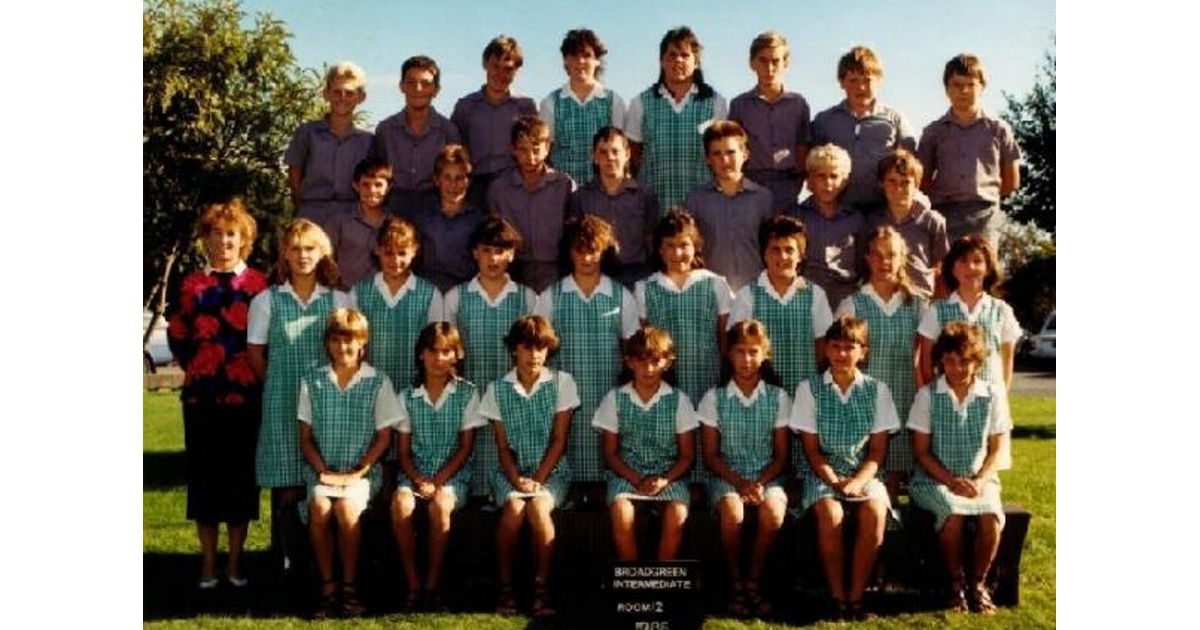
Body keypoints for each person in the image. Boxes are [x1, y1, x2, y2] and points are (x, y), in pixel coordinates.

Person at [166, 199, 269, 589]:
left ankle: (236, 563)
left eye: (231, 234)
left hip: (246, 400)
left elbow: (267, 342)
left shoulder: (259, 286)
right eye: (216, 233)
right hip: (202, 399)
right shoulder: (191, 285)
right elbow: (178, 336)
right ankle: (208, 563)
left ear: (244, 240)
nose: (224, 241)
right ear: (205, 238)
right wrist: (203, 367)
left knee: (241, 482)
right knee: (205, 482)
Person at [247, 219, 351, 572]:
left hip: (328, 405)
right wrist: (278, 385)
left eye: (310, 248)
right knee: (287, 483)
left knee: (323, 479)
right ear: (285, 255)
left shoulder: (339, 300)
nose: (303, 255)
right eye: (295, 248)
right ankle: (286, 559)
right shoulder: (267, 301)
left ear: (323, 253)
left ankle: (325, 563)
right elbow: (256, 353)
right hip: (283, 402)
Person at [790, 316, 901, 621]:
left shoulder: (878, 390)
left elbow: (878, 451)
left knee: (874, 512)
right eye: (836, 346)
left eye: (850, 347)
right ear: (826, 349)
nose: (841, 353)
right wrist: (836, 481)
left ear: (863, 352)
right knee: (831, 514)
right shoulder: (809, 389)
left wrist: (858, 481)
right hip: (822, 473)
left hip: (865, 473)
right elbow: (812, 450)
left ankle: (856, 597)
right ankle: (838, 598)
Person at [298, 308, 399, 618]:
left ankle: (350, 588)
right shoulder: (312, 380)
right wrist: (323, 471)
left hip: (362, 472)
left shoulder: (378, 381)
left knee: (345, 510)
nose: (343, 347)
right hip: (323, 470)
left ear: (362, 344)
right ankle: (329, 588)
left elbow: (384, 438)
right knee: (319, 508)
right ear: (328, 343)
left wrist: (357, 471)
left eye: (349, 341)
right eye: (336, 340)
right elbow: (306, 438)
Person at [479, 316, 580, 618]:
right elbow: (502, 447)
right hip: (511, 473)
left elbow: (559, 441)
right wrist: (517, 480)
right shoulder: (497, 389)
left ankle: (541, 590)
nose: (534, 354)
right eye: (526, 347)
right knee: (513, 509)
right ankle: (506, 590)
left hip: (552, 472)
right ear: (514, 349)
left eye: (541, 347)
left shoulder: (563, 383)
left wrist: (537, 480)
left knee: (538, 507)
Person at [908, 321, 1012, 615]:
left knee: (991, 516)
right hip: (933, 479)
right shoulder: (927, 395)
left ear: (977, 361)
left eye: (965, 361)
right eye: (950, 360)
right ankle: (955, 585)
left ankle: (977, 584)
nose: (957, 368)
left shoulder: (993, 395)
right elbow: (921, 452)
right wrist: (952, 481)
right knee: (952, 514)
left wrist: (979, 481)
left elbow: (997, 448)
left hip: (979, 479)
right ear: (941, 360)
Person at [534, 215, 640, 485]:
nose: (586, 258)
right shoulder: (550, 297)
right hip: (564, 394)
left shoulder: (621, 296)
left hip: (608, 390)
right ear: (569, 252)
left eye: (593, 251)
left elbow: (632, 352)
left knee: (609, 458)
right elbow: (539, 354)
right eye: (579, 251)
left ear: (604, 252)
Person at [698, 320, 791, 618]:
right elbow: (710, 456)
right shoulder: (714, 398)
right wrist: (739, 483)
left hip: (767, 476)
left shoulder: (778, 397)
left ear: (765, 355)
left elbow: (781, 456)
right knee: (732, 512)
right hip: (727, 476)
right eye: (739, 351)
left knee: (773, 512)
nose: (746, 359)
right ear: (729, 354)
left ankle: (754, 579)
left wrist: (759, 483)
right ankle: (736, 581)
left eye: (753, 352)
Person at [391, 323, 486, 612]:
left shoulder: (468, 393)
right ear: (421, 354)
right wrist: (419, 479)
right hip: (415, 474)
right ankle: (413, 585)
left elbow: (465, 448)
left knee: (441, 505)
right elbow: (403, 452)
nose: (439, 358)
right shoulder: (407, 396)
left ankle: (432, 587)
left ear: (457, 355)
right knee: (400, 505)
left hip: (453, 476)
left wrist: (438, 481)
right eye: (432, 351)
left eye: (446, 352)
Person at [444, 216, 536, 496]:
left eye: (500, 251)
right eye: (486, 250)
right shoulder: (456, 297)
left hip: (514, 397)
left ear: (512, 254)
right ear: (475, 253)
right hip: (472, 390)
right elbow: (448, 352)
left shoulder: (527, 297)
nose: (493, 258)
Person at [593, 327, 696, 562]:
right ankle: (634, 578)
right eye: (641, 361)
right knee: (621, 512)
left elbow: (687, 456)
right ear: (629, 362)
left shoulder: (679, 400)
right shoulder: (614, 399)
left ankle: (660, 577)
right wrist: (637, 480)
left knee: (677, 513)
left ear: (667, 363)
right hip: (627, 475)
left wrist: (664, 480)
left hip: (669, 476)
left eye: (655, 361)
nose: (648, 369)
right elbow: (610, 454)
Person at [835, 226, 926, 488]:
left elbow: (928, 356)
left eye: (891, 255)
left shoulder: (918, 304)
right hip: (865, 402)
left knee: (897, 479)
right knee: (866, 477)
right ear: (867, 258)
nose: (884, 261)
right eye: (876, 254)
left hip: (905, 398)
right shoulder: (852, 303)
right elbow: (839, 356)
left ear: (902, 258)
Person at [918, 54, 1022, 245]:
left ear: (982, 87)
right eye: (957, 85)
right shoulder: (933, 132)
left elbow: (1012, 180)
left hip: (985, 215)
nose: (964, 91)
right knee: (946, 263)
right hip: (944, 214)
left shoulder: (998, 129)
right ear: (946, 89)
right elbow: (922, 180)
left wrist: (986, 195)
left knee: (983, 263)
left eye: (971, 85)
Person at [625, 26, 728, 212]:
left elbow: (721, 156)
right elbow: (633, 157)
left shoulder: (715, 103)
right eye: (672, 55)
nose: (678, 60)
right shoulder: (640, 103)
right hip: (654, 208)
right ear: (661, 61)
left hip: (703, 209)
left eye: (685, 55)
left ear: (696, 62)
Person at [635, 209, 732, 404]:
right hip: (664, 385)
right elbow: (643, 343)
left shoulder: (715, 283)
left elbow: (725, 336)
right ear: (660, 249)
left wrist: (725, 376)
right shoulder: (645, 288)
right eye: (669, 245)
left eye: (684, 245)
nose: (677, 253)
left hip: (708, 381)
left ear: (695, 246)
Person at [810, 46, 916, 214]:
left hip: (882, 211)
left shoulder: (895, 120)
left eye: (867, 80)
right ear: (842, 83)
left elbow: (910, 168)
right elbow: (812, 169)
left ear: (879, 80)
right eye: (853, 81)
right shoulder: (825, 121)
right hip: (838, 212)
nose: (860, 87)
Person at [349, 216, 444, 396]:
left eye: (402, 253)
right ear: (377, 250)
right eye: (388, 253)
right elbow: (353, 345)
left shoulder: (430, 294)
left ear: (414, 250)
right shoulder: (359, 293)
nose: (395, 260)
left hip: (415, 390)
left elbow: (436, 345)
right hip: (371, 389)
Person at [683, 119, 775, 291]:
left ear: (745, 154)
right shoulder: (695, 200)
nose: (724, 160)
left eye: (731, 152)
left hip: (755, 290)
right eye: (716, 154)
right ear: (708, 159)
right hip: (710, 291)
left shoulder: (764, 198)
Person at [918, 236, 1020, 390]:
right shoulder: (936, 311)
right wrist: (936, 398)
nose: (970, 267)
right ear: (953, 269)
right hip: (948, 401)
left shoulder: (1002, 311)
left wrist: (1000, 397)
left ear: (988, 268)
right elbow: (926, 364)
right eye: (963, 261)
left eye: (977, 261)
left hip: (989, 400)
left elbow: (1007, 363)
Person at [488, 115, 575, 292]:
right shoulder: (499, 189)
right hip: (514, 269)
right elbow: (493, 233)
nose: (530, 157)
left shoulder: (564, 185)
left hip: (556, 268)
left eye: (536, 150)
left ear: (547, 148)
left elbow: (573, 230)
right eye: (523, 150)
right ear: (513, 149)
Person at [285, 62, 374, 232]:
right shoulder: (307, 133)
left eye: (349, 93)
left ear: (361, 97)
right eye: (337, 92)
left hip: (353, 216)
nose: (342, 98)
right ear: (326, 94)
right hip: (312, 214)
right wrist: (302, 207)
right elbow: (295, 176)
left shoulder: (368, 141)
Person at [451, 35, 538, 210]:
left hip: (514, 185)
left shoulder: (525, 106)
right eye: (495, 66)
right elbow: (455, 150)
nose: (500, 74)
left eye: (508, 68)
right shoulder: (465, 106)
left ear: (516, 71)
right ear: (485, 64)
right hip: (474, 188)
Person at [729, 31, 811, 212]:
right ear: (752, 63)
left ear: (785, 63)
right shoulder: (739, 105)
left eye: (775, 61)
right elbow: (734, 149)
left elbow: (802, 147)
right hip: (751, 184)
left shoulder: (798, 104)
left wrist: (796, 184)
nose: (769, 68)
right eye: (763, 61)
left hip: (787, 185)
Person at [569, 126, 660, 287]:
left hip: (637, 275)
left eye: (615, 151)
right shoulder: (581, 197)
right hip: (597, 276)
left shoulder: (644, 195)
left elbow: (651, 240)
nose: (610, 157)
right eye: (603, 152)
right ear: (595, 157)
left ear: (627, 154)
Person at [371, 55, 461, 217]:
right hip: (393, 208)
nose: (418, 89)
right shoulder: (385, 130)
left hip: (435, 209)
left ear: (436, 90)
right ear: (401, 86)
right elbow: (377, 175)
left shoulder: (448, 131)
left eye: (425, 83)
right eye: (411, 82)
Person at [539, 28, 627, 186]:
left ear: (597, 60)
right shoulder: (550, 103)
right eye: (574, 55)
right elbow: (545, 153)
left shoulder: (614, 101)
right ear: (565, 61)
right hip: (563, 192)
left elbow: (620, 154)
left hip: (603, 191)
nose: (580, 61)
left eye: (587, 55)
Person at [787, 143, 864, 309]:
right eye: (821, 176)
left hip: (845, 296)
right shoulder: (796, 216)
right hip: (806, 295)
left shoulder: (855, 219)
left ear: (844, 181)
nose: (828, 183)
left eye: (834, 176)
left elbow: (862, 263)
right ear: (810, 180)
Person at [866, 149, 949, 299]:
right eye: (891, 181)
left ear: (917, 185)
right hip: (883, 299)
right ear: (881, 183)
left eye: (905, 182)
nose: (898, 188)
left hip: (921, 298)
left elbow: (941, 267)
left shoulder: (933, 221)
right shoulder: (873, 221)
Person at [409, 144, 486, 292]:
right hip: (429, 289)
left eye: (459, 178)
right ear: (436, 180)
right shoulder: (422, 217)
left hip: (466, 290)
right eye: (447, 177)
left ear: (468, 181)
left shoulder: (478, 219)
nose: (453, 185)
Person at [328, 157, 392, 290]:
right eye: (365, 184)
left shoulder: (394, 224)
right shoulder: (340, 221)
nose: (372, 190)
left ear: (389, 187)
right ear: (356, 186)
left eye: (378, 185)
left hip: (383, 295)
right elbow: (327, 258)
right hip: (347, 292)